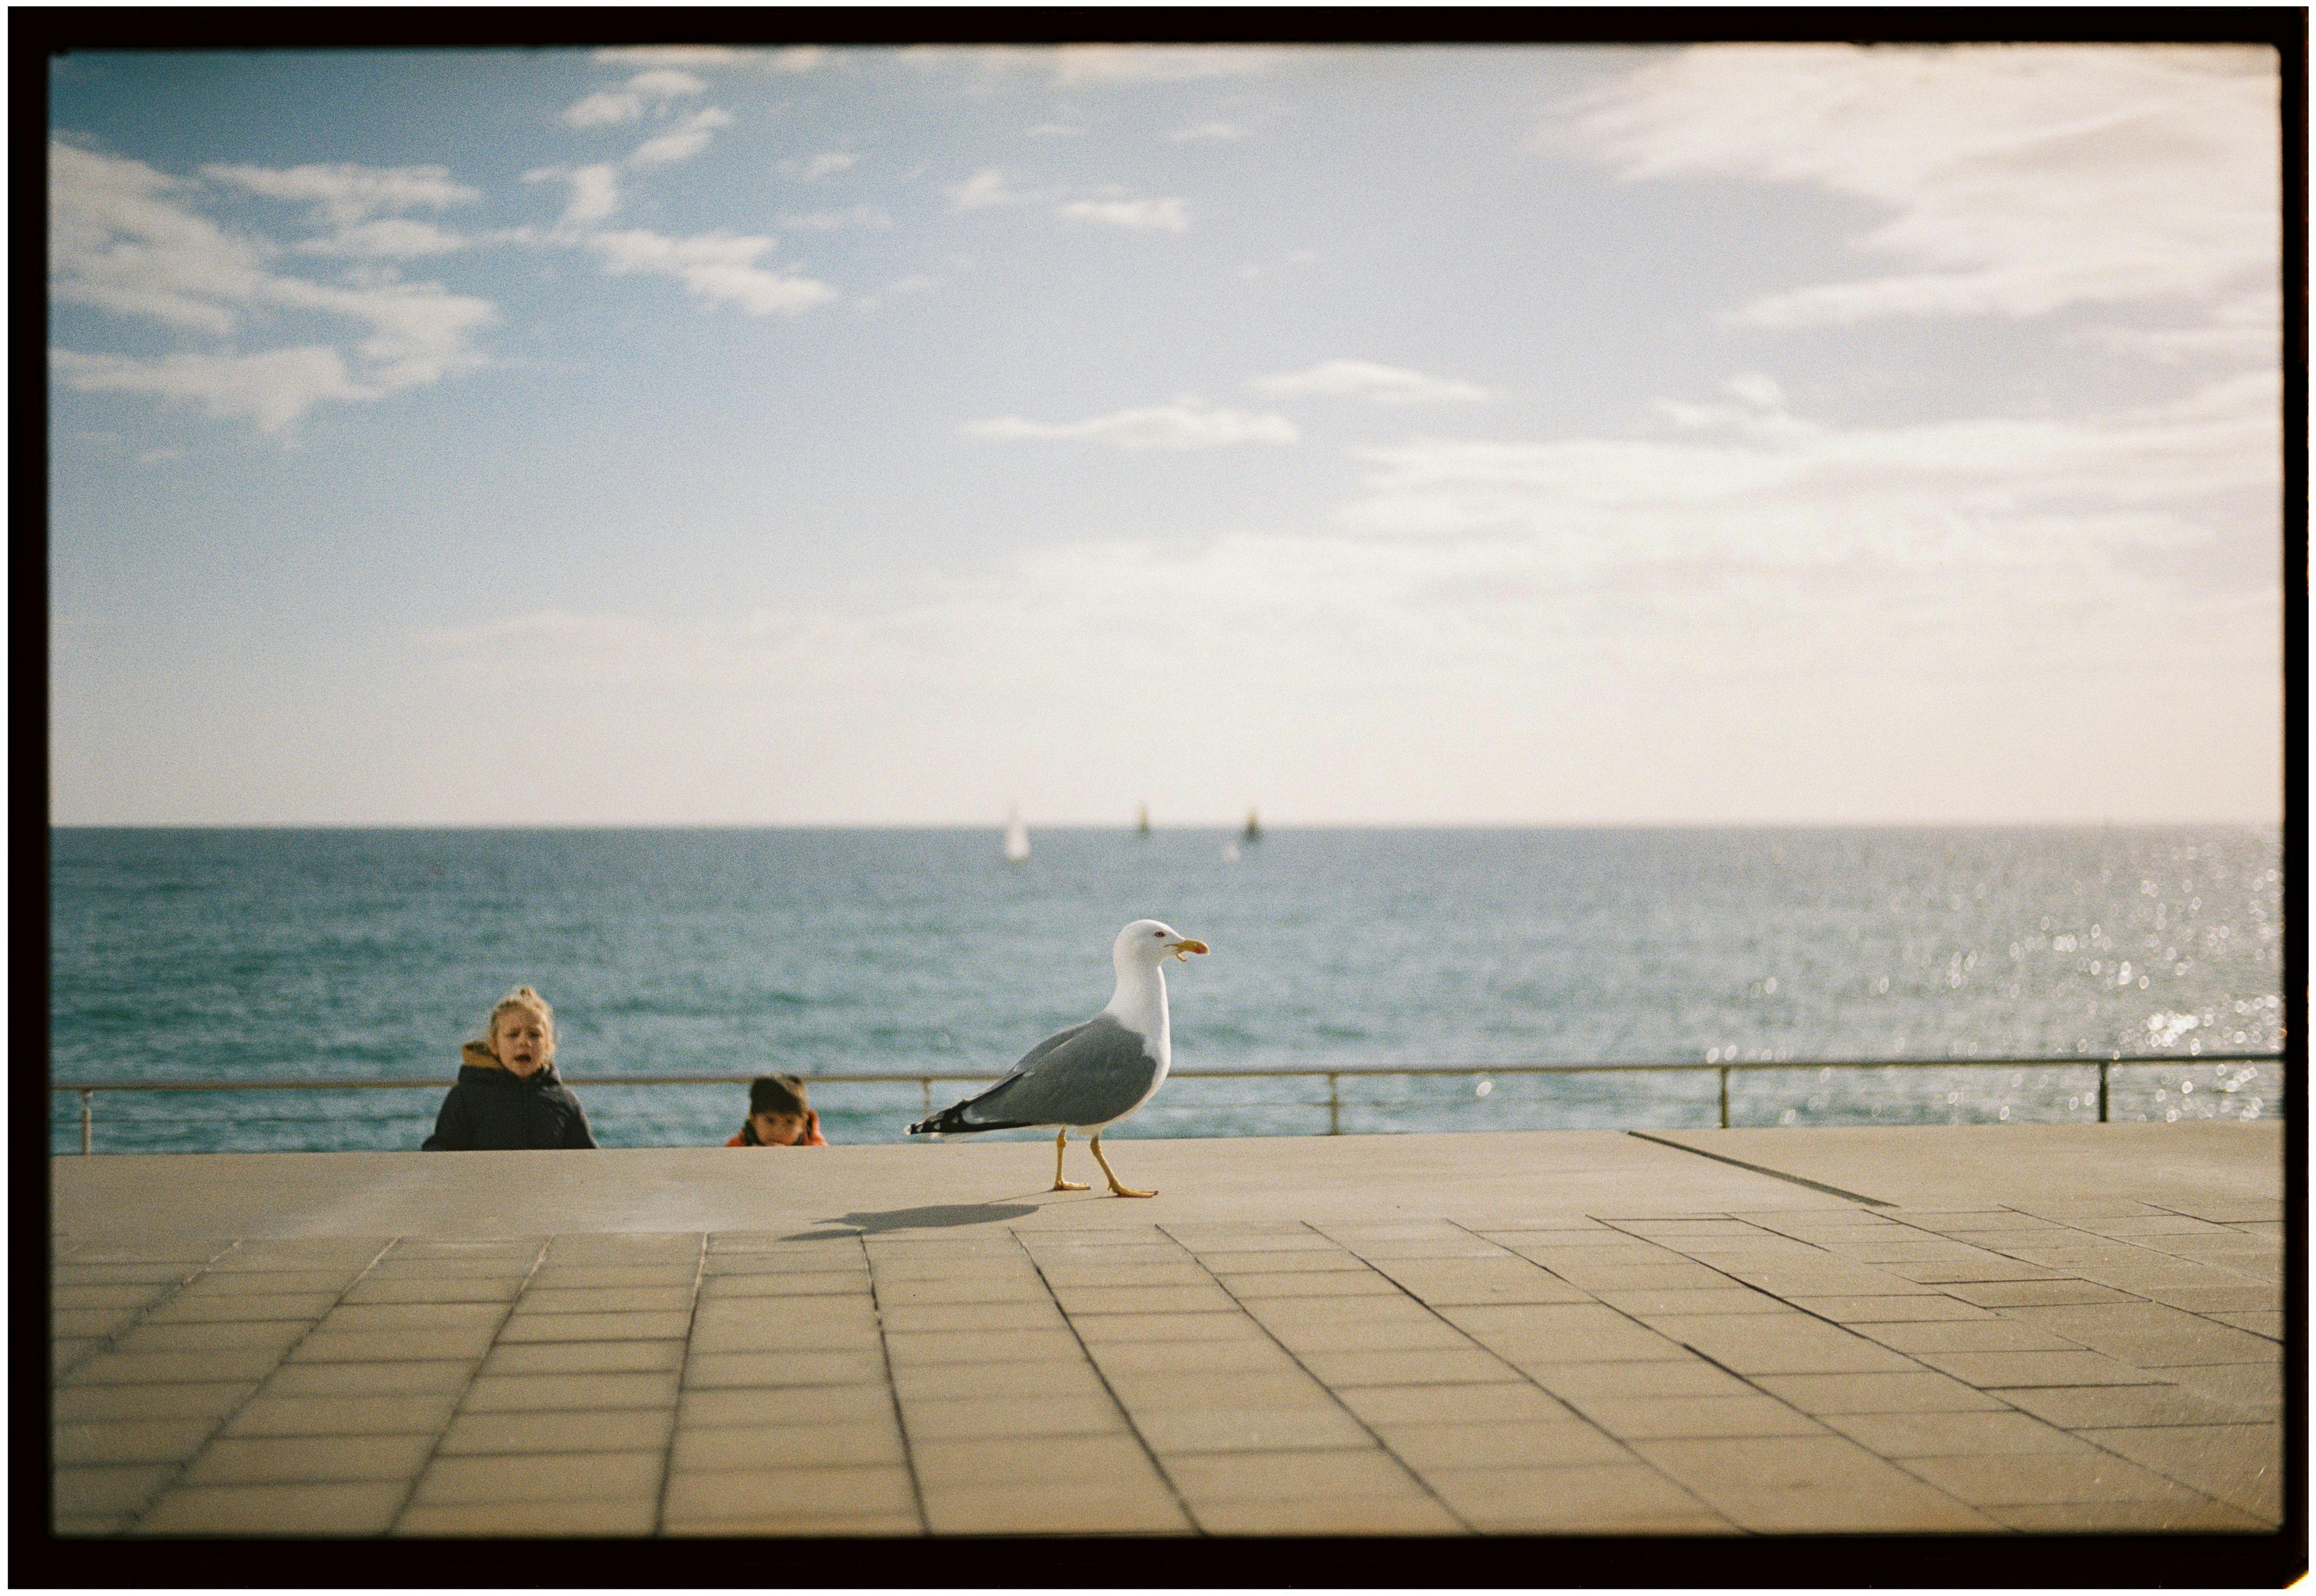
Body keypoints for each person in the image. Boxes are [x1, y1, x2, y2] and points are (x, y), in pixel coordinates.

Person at [423, 986, 597, 1151]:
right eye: (513, 1035)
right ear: (494, 1044)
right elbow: (441, 1153)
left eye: (534, 1035)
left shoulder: (565, 1103)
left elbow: (589, 1163)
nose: (524, 1042)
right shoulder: (466, 1098)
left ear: (548, 1046)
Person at [726, 1074, 826, 1147]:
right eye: (770, 1121)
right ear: (753, 1120)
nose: (779, 1131)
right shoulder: (736, 1148)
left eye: (790, 1122)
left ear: (803, 1123)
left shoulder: (817, 1150)